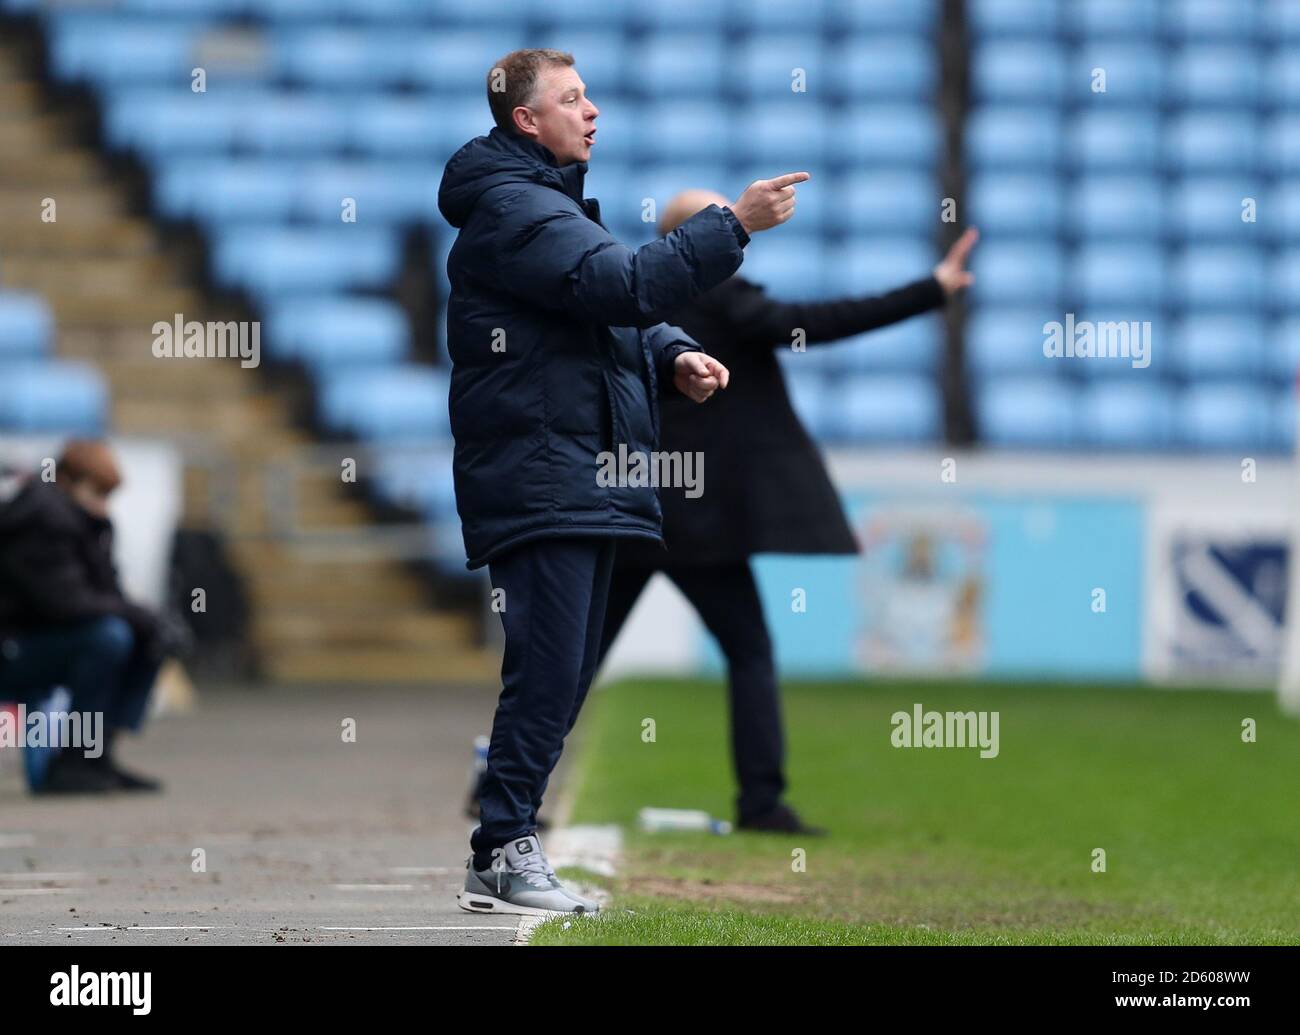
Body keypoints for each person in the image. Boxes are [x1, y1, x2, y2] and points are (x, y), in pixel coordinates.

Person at [438, 48, 808, 915]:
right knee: (548, 670)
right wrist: (736, 224)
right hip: (541, 473)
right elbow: (627, 281)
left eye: (590, 94)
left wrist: (672, 351)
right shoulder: (516, 209)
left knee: (563, 675)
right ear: (527, 120)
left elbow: (606, 317)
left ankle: (507, 840)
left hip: (578, 471)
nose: (593, 109)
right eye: (572, 99)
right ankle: (501, 848)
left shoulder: (544, 206)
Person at [595, 191, 980, 836]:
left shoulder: (629, 293)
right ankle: (761, 802)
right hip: (702, 525)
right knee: (749, 650)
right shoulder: (723, 297)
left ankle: (502, 780)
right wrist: (931, 291)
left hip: (635, 505)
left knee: (573, 657)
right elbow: (819, 321)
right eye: (722, 225)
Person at [0, 440, 169, 794]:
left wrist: (148, 621)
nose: (105, 505)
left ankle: (96, 755)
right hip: (13, 649)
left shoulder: (88, 523)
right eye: (99, 493)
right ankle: (75, 760)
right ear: (69, 481)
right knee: (108, 638)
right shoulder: (41, 520)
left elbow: (106, 595)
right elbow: (64, 603)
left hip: (45, 641)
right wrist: (137, 616)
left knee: (145, 636)